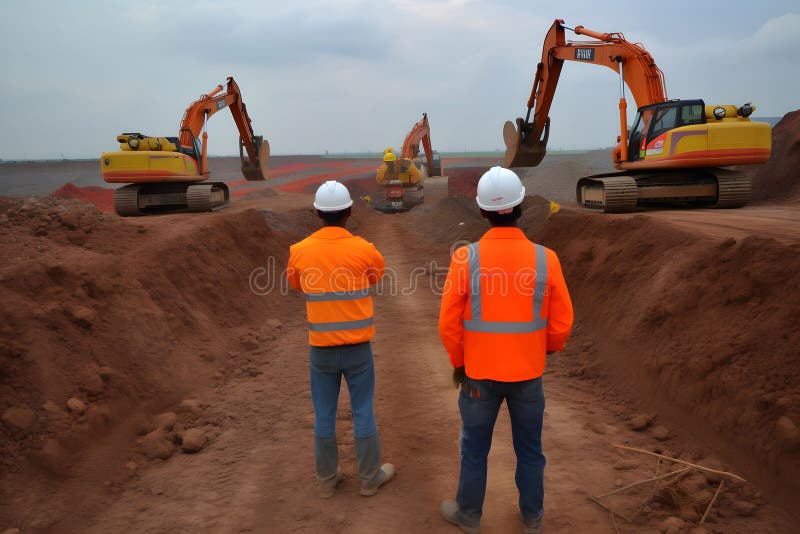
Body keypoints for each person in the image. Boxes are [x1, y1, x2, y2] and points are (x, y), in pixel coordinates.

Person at [438, 167, 574, 533]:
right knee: (530, 451)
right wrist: (544, 350)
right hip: (528, 376)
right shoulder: (547, 260)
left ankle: (469, 514)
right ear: (520, 207)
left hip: (479, 376)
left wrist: (460, 363)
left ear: (481, 212)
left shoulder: (466, 259)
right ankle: (533, 518)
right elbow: (561, 323)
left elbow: (448, 324)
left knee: (474, 450)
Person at [286, 180, 395, 498]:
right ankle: (369, 478)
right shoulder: (364, 250)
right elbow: (376, 276)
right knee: (362, 410)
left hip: (321, 351)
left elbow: (297, 284)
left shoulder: (299, 251)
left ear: (317, 213)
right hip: (358, 349)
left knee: (324, 414)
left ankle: (326, 480)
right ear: (349, 211)